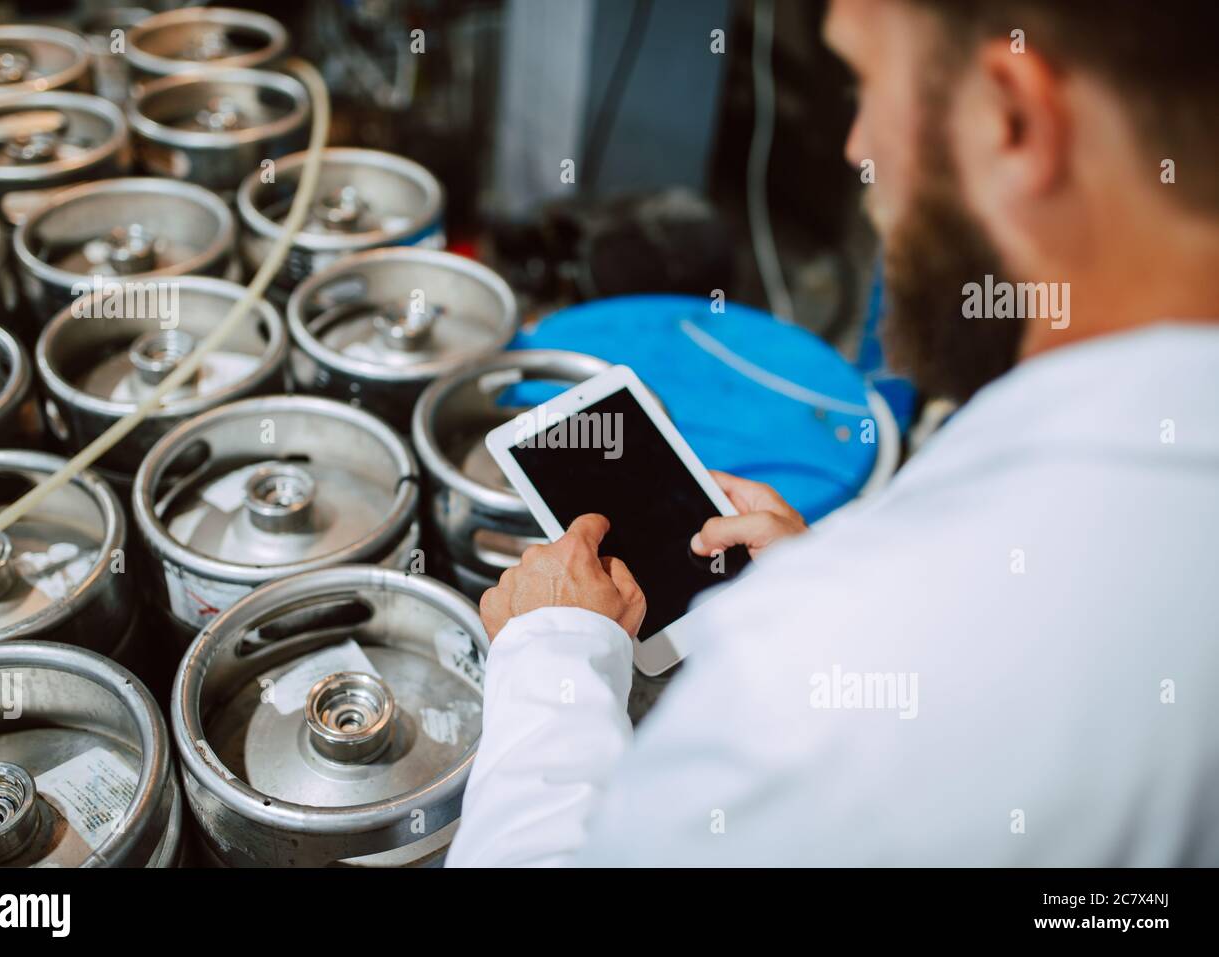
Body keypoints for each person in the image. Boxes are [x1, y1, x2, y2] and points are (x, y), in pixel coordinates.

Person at [446, 0, 1219, 866]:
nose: (857, 148)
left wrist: (552, 662)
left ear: (1013, 122)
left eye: (868, 83)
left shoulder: (811, 697)